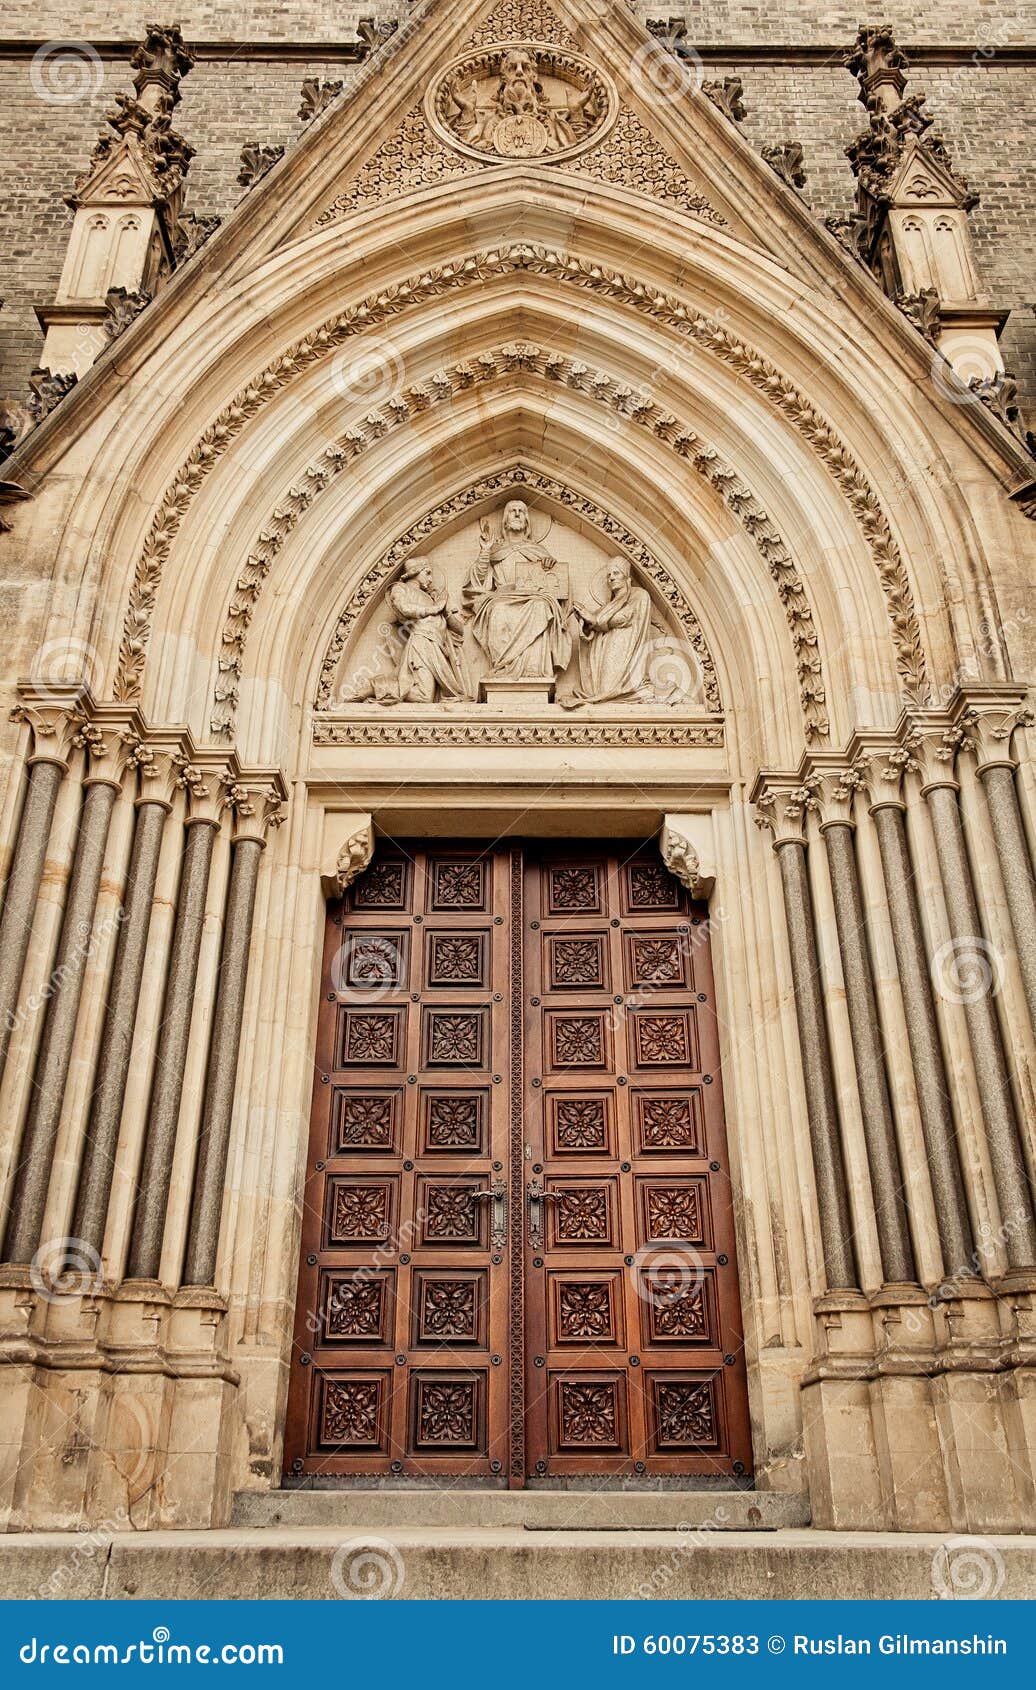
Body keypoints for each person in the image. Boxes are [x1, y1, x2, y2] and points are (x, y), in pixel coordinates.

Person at [464, 499, 571, 681]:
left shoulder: (538, 550)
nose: (516, 514)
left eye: (521, 511)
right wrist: (485, 551)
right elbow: (478, 579)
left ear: (527, 520)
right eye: (512, 511)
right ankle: (503, 667)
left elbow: (555, 583)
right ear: (505, 520)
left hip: (532, 597)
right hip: (502, 598)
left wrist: (548, 565)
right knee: (498, 610)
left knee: (541, 607)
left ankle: (533, 669)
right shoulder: (495, 549)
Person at [351, 557, 471, 704]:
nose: (431, 579)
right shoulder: (400, 589)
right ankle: (374, 685)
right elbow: (404, 608)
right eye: (427, 573)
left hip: (438, 647)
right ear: (415, 572)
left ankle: (380, 686)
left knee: (447, 695)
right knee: (424, 696)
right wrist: (433, 609)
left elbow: (460, 631)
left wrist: (446, 611)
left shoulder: (432, 597)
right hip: (421, 644)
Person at [562, 556, 655, 706]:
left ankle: (626, 693)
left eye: (616, 573)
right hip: (607, 649)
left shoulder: (639, 595)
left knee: (609, 689)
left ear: (626, 576)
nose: (611, 578)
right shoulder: (608, 606)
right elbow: (594, 627)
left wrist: (594, 619)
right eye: (609, 575)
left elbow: (626, 617)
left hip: (625, 647)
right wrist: (585, 621)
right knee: (605, 688)